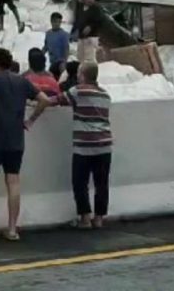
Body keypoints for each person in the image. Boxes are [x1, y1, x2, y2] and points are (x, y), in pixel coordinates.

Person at [0, 48, 50, 242]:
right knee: (13, 181)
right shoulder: (21, 81)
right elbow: (44, 100)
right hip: (15, 139)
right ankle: (13, 229)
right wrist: (30, 121)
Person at [64, 63, 112, 229]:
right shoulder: (105, 95)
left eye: (79, 73)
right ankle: (99, 218)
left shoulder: (78, 91)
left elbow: (57, 100)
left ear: (83, 75)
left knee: (79, 182)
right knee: (101, 183)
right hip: (104, 144)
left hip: (84, 146)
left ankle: (85, 218)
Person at [72, 0, 106, 64]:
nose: (91, 0)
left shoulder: (96, 9)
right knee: (80, 58)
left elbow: (100, 21)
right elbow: (77, 20)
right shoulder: (80, 7)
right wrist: (74, 31)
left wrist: (90, 26)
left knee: (90, 59)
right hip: (81, 37)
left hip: (91, 37)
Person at [43, 12, 70, 80]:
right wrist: (40, 54)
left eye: (59, 22)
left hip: (60, 62)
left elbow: (66, 49)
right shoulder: (48, 34)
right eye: (55, 22)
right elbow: (46, 46)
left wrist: (64, 62)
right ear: (51, 21)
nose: (57, 24)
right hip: (52, 62)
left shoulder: (64, 35)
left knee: (62, 79)